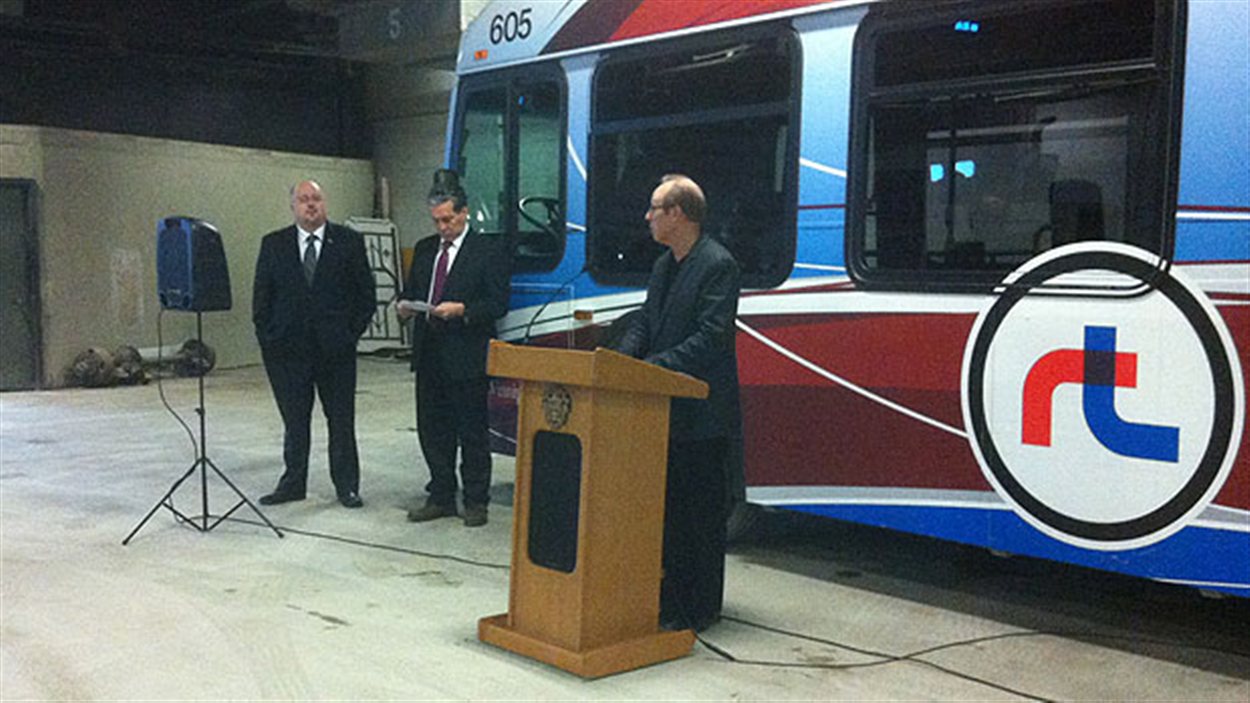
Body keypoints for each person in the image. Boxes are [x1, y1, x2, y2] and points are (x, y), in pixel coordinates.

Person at [611, 174, 741, 632]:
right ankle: (669, 598)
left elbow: (710, 336)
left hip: (701, 418)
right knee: (667, 516)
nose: (647, 217)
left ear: (678, 214)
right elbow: (645, 322)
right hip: (662, 413)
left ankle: (699, 609)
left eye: (654, 208)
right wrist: (619, 360)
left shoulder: (717, 265)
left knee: (699, 519)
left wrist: (653, 367)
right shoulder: (665, 265)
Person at [252, 180, 375, 508]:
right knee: (295, 421)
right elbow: (261, 303)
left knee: (341, 420)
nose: (310, 205)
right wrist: (271, 342)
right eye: (303, 199)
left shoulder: (348, 242)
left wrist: (348, 335)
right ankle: (293, 483)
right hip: (289, 354)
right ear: (292, 205)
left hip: (335, 352)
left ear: (325, 203)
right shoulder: (274, 245)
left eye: (316, 199)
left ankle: (347, 485)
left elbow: (366, 297)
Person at [398, 169, 510, 527]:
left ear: (464, 213)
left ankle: (476, 500)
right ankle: (441, 494)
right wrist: (404, 307)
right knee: (433, 429)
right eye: (436, 221)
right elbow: (412, 289)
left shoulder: (487, 251)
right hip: (430, 353)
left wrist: (462, 310)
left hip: (467, 354)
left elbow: (498, 303)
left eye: (448, 219)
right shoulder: (426, 249)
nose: (443, 227)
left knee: (472, 431)